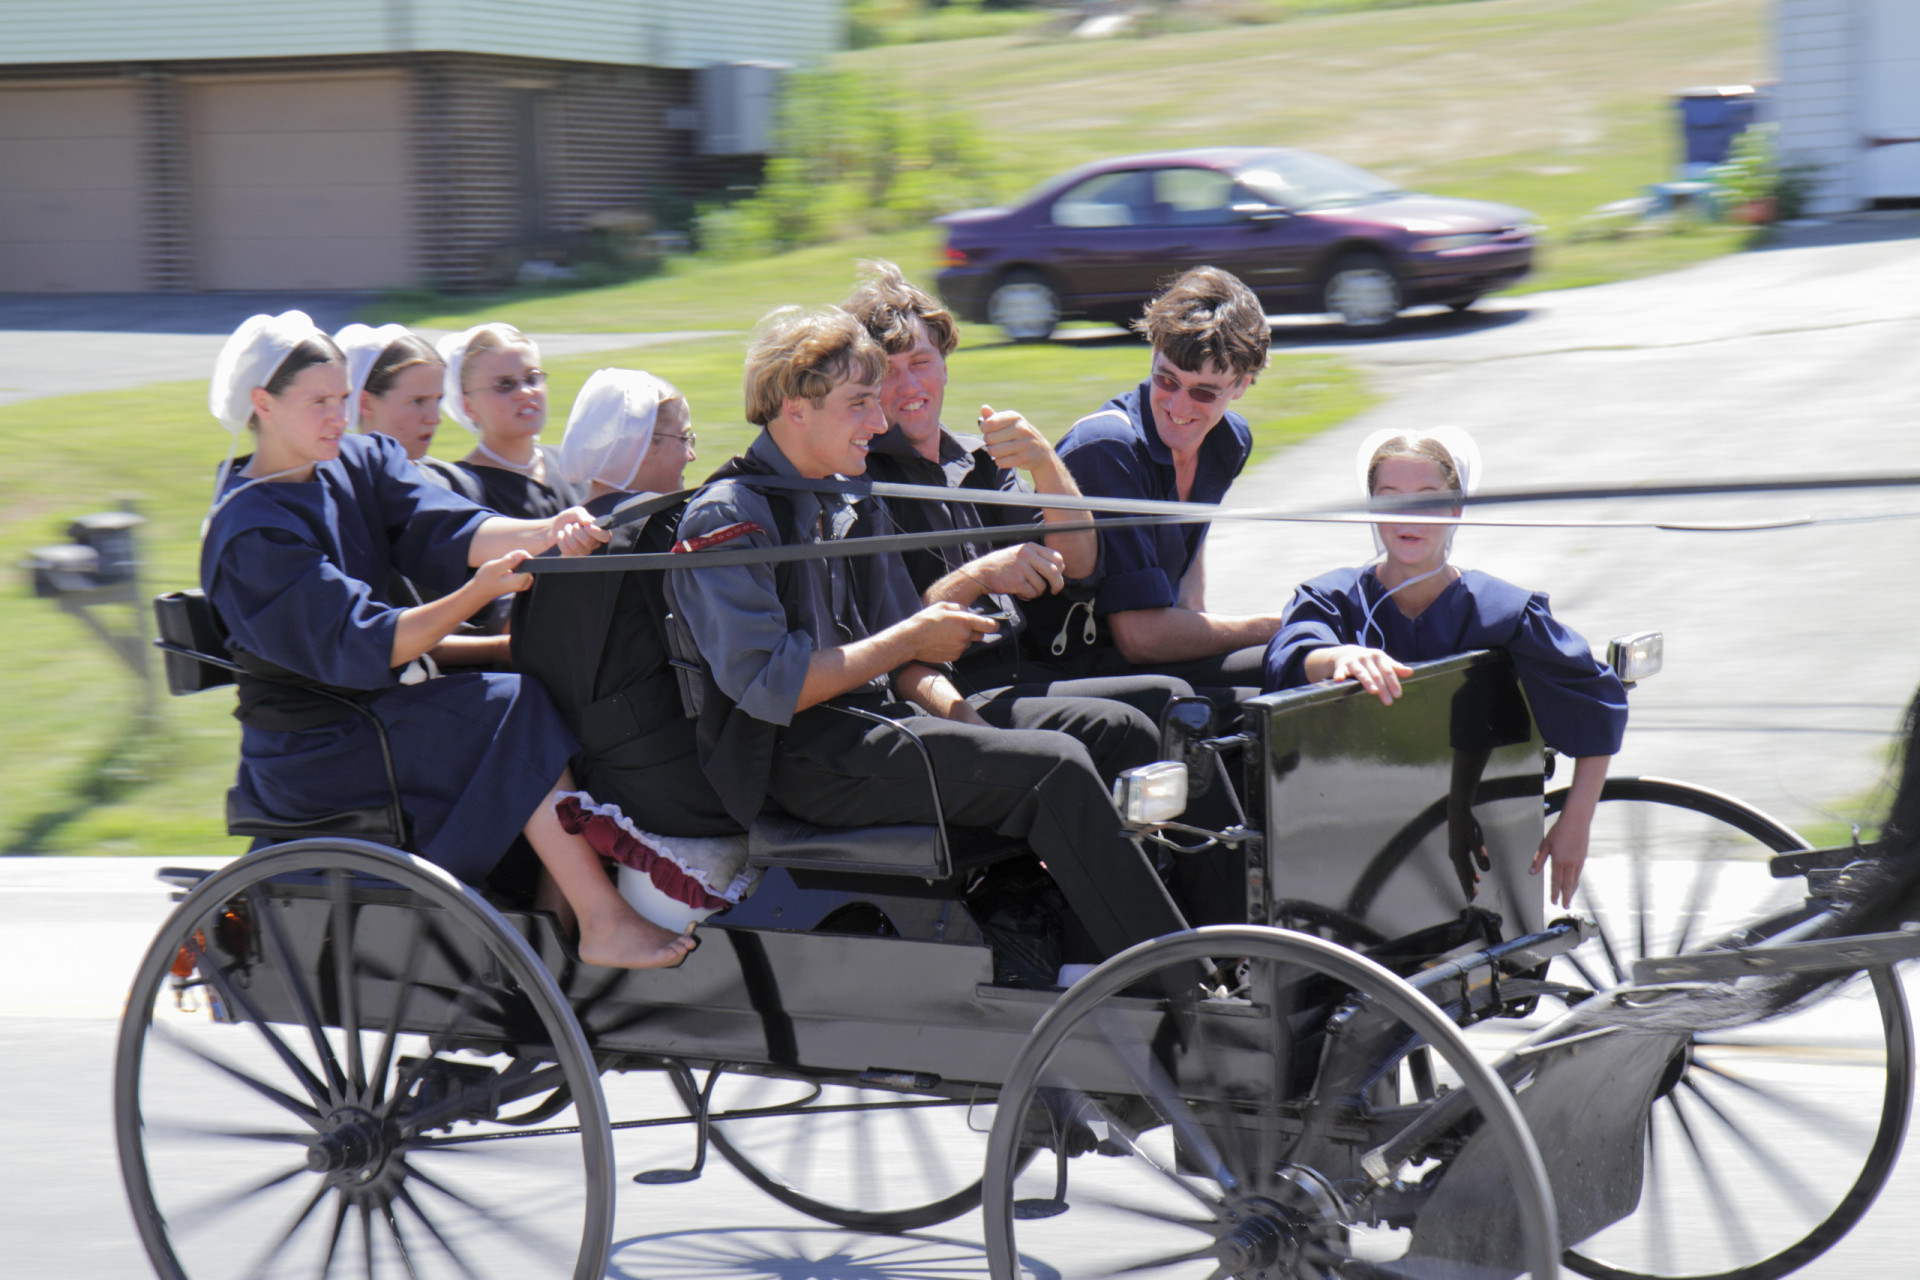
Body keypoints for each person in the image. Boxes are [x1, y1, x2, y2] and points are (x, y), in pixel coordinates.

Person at [666, 307, 1198, 976]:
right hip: (797, 759)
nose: (879, 422)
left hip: (869, 727)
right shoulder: (729, 514)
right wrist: (912, 640)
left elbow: (910, 661)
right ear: (795, 406)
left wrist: (976, 727)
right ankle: (1174, 982)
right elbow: (776, 685)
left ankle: (1174, 945)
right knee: (1055, 767)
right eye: (861, 401)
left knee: (1126, 732)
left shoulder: (845, 500)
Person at [200, 311, 692, 969]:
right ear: (263, 404)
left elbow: (451, 527)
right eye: (318, 402)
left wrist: (549, 531)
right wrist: (475, 594)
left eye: (342, 400)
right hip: (321, 743)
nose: (336, 417)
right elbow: (370, 640)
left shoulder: (357, 459)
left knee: (546, 690)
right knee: (508, 704)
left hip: (385, 704)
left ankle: (555, 915)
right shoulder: (252, 532)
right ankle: (600, 919)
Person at [1261, 427, 1628, 907]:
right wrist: (1339, 657)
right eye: (1389, 498)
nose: (1407, 516)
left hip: (1474, 834)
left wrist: (1576, 820)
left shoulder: (1502, 611)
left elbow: (1593, 702)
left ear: (1457, 509)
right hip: (1340, 833)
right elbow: (1293, 648)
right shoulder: (1334, 600)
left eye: (1428, 499)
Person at [840, 261, 1195, 726]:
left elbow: (1081, 567)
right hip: (956, 692)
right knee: (1132, 722)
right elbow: (893, 641)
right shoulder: (861, 485)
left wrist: (1045, 463)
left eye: (922, 363)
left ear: (945, 366)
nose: (910, 386)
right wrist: (981, 576)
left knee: (1177, 699)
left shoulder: (981, 462)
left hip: (1025, 670)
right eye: (888, 372)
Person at [1055, 266, 1287, 697]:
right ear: (1153, 355)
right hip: (1081, 670)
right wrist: (1280, 623)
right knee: (1279, 674)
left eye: (1204, 392)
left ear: (1242, 384)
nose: (1179, 407)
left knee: (1309, 664)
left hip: (1155, 662)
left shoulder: (1229, 441)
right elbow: (1140, 636)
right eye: (1166, 380)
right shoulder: (1107, 447)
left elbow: (1187, 569)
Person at [439, 322, 587, 520]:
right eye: (504, 385)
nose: (525, 392)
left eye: (532, 378)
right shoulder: (462, 490)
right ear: (468, 405)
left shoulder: (574, 464)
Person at [334, 322, 483, 500]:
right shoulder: (337, 491)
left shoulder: (457, 485)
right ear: (366, 404)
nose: (435, 418)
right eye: (417, 401)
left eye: (438, 400)